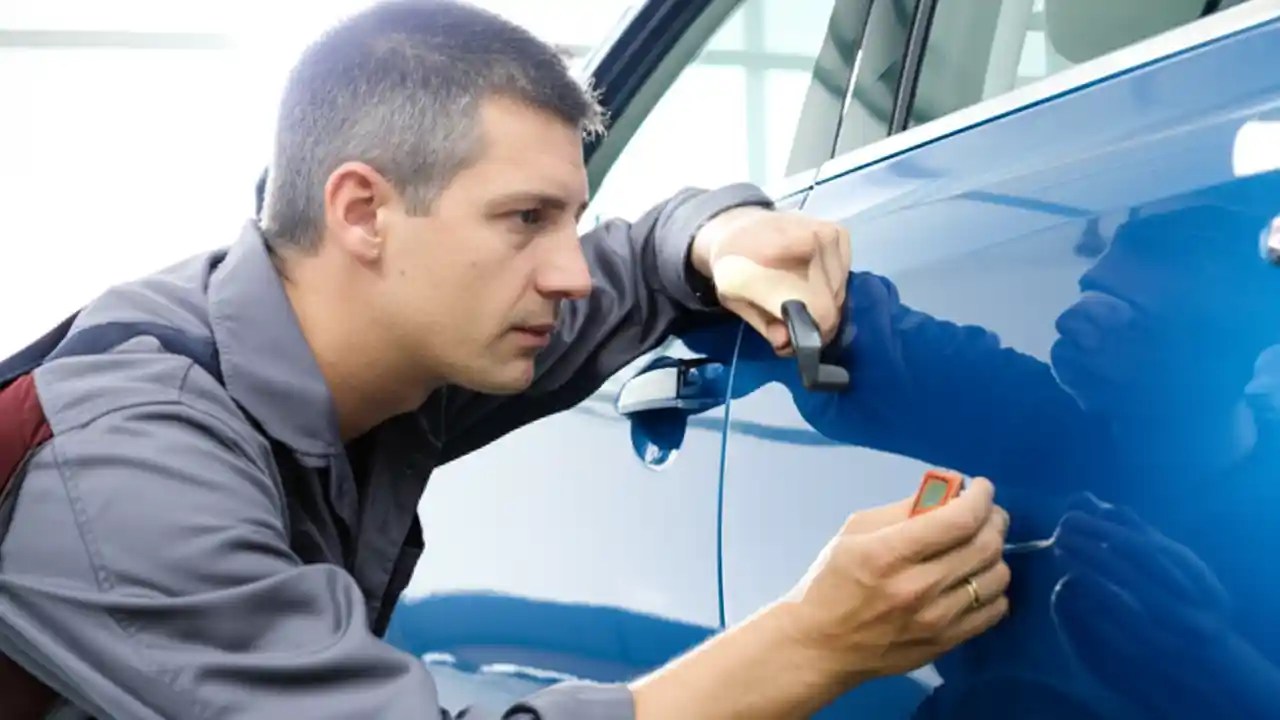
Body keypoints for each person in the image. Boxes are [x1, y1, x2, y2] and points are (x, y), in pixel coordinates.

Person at [0, 2, 1011, 718]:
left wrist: (715, 235)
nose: (567, 273)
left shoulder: (394, 339)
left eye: (566, 215)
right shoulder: (129, 463)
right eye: (525, 219)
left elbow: (631, 261)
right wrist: (812, 641)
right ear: (362, 212)